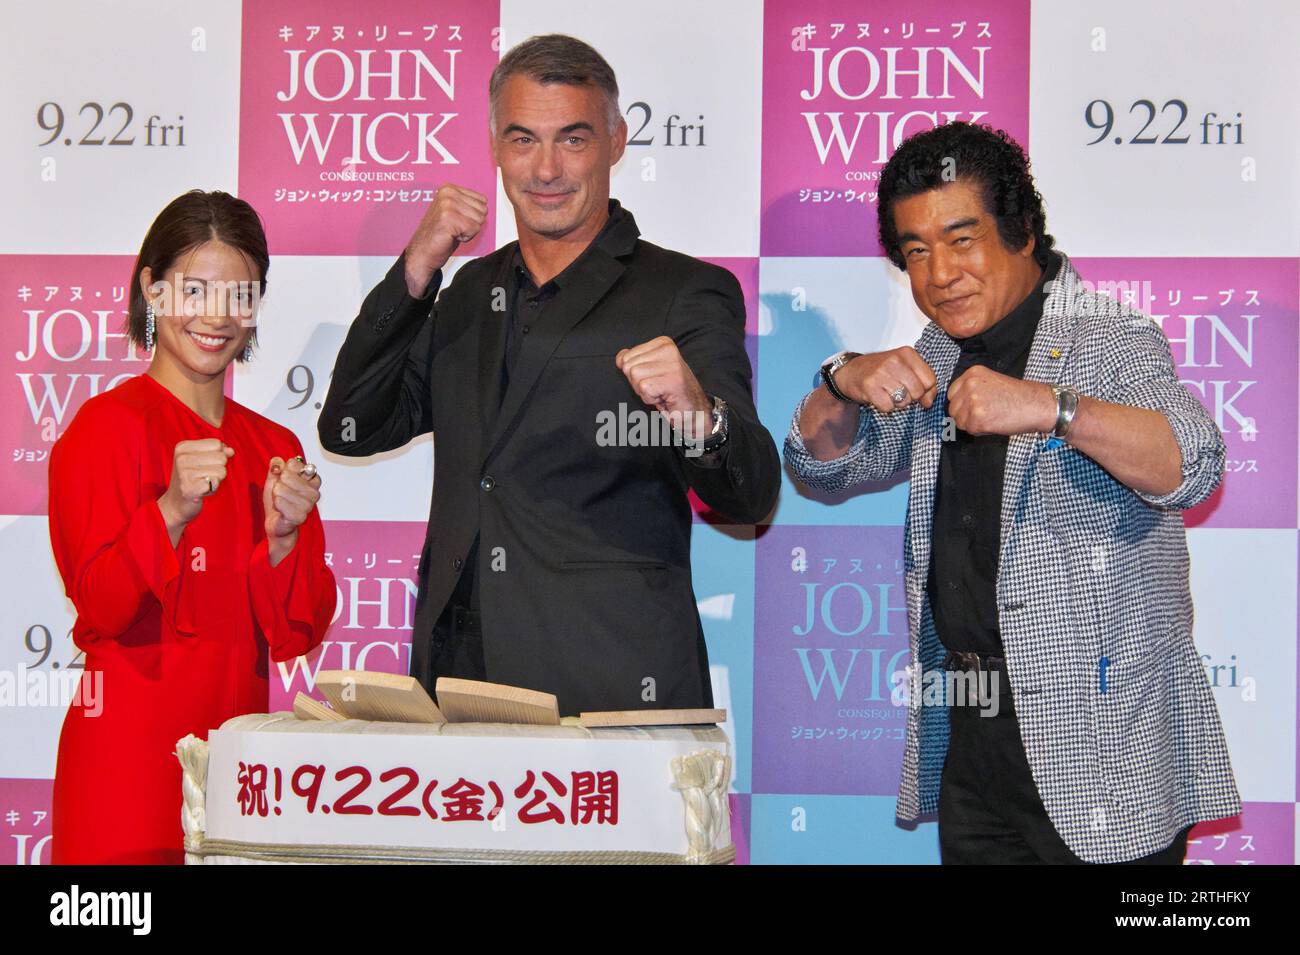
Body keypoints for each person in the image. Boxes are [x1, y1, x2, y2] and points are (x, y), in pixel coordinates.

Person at [784, 122, 1240, 864]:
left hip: (1103, 748)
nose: (939, 274)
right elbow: (826, 465)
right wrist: (840, 379)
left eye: (961, 240)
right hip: (975, 745)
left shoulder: (1108, 336)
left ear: (1022, 230)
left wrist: (1054, 408)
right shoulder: (936, 354)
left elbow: (1195, 463)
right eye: (916, 252)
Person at [318, 34, 780, 716]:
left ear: (616, 142)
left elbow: (751, 495)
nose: (546, 169)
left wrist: (696, 414)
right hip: (457, 679)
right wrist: (415, 270)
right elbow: (352, 426)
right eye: (523, 139)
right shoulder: (469, 292)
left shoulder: (684, 292)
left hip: (610, 682)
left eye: (573, 139)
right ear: (495, 147)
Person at [48, 190, 337, 864]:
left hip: (238, 772)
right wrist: (170, 512)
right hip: (125, 766)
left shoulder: (274, 447)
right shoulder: (104, 429)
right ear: (152, 290)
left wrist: (285, 541)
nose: (216, 315)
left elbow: (297, 634)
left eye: (239, 294)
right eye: (194, 289)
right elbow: (102, 607)